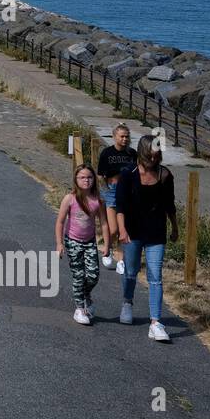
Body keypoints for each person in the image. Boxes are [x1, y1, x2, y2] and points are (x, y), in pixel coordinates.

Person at [114, 134, 179, 341]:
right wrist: (122, 230)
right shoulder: (128, 174)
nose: (154, 157)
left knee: (155, 277)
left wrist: (175, 227)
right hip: (132, 231)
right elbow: (120, 206)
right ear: (142, 152)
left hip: (156, 232)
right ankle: (127, 302)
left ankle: (156, 322)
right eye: (150, 154)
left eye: (157, 154)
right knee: (131, 272)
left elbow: (170, 205)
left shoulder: (165, 175)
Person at [56, 165, 103, 325]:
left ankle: (85, 295)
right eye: (82, 177)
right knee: (78, 276)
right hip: (73, 241)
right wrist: (59, 244)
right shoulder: (70, 199)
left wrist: (107, 244)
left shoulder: (97, 200)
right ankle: (79, 308)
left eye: (89, 177)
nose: (86, 180)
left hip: (89, 242)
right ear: (76, 180)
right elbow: (60, 221)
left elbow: (104, 223)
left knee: (93, 275)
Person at [96, 124, 137, 273]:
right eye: (122, 136)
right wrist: (105, 191)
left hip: (128, 192)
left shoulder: (132, 153)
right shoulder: (107, 153)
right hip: (112, 191)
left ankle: (120, 259)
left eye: (127, 136)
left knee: (123, 229)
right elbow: (100, 175)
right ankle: (107, 249)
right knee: (113, 229)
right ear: (115, 137)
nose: (125, 139)